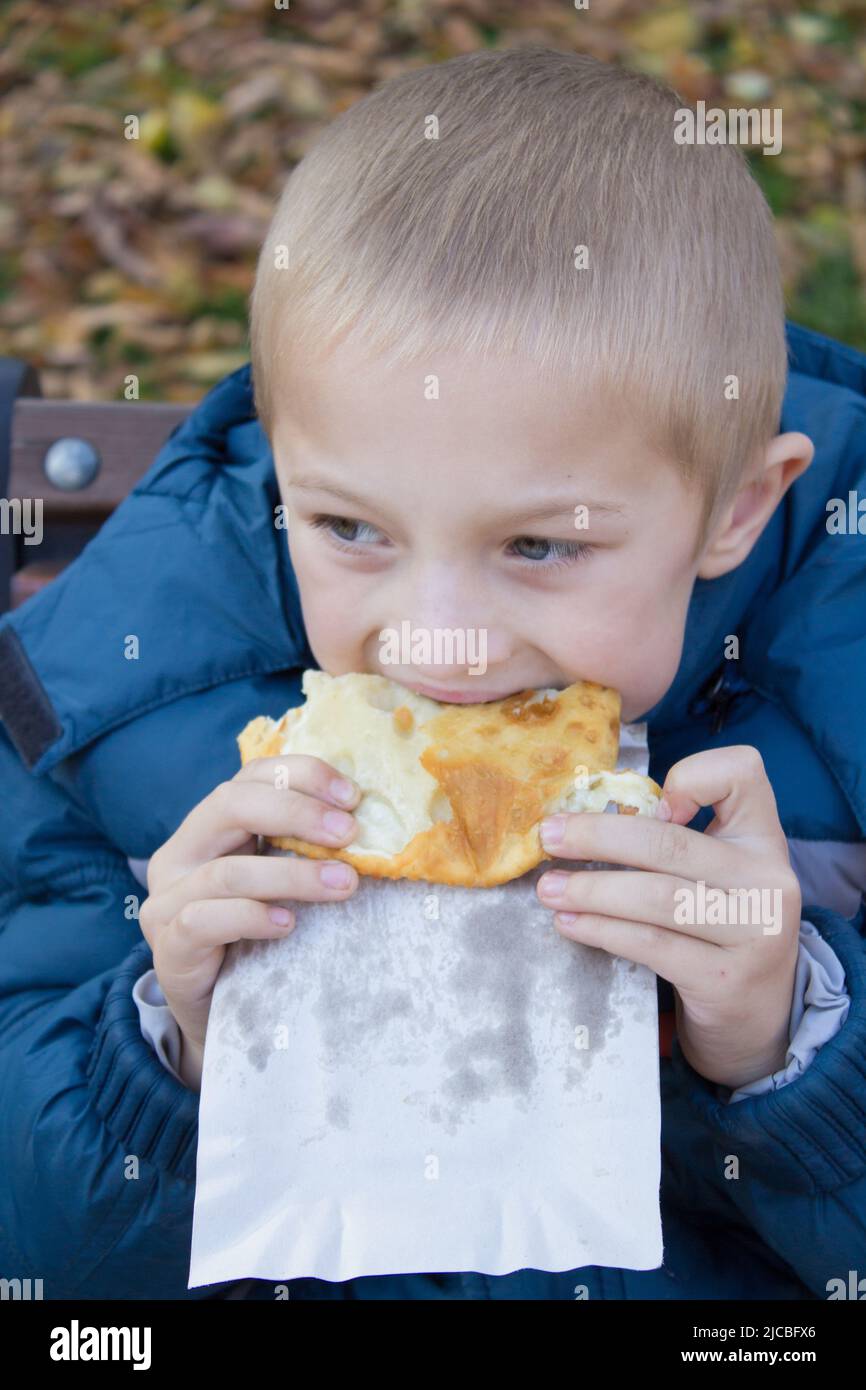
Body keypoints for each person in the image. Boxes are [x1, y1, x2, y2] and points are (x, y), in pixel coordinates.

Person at [1, 47, 864, 1301]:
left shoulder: (836, 716)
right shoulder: (112, 722)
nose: (435, 641)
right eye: (350, 528)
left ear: (734, 506)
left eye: (538, 547)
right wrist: (170, 1053)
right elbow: (40, 1259)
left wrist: (790, 1048)